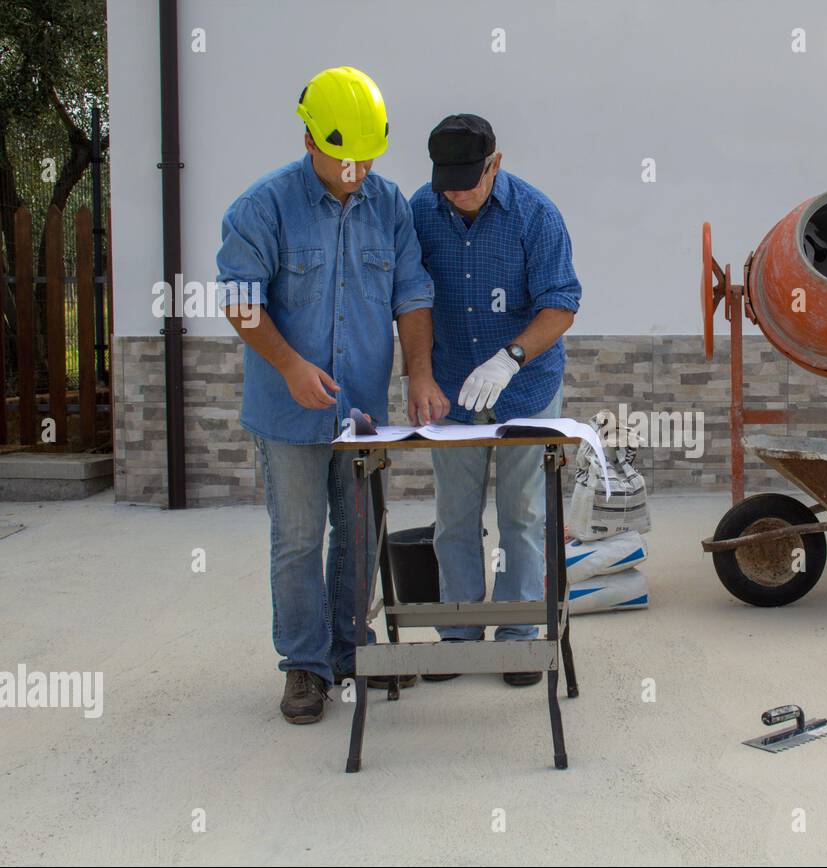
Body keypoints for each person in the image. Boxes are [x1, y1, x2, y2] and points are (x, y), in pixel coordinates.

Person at [216, 66, 446, 723]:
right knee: (296, 538)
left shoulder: (391, 205)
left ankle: (353, 651)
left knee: (358, 533)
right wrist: (289, 365)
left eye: (368, 156)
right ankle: (305, 668)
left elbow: (412, 294)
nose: (358, 169)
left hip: (362, 414)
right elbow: (239, 299)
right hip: (286, 414)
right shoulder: (262, 207)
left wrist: (420, 374)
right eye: (345, 156)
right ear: (310, 139)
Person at [409, 114, 581, 687]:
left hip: (526, 387)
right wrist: (420, 375)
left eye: (468, 180)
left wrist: (510, 356)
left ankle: (517, 634)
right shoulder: (419, 212)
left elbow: (560, 304)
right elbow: (412, 297)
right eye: (447, 182)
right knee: (454, 514)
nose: (456, 193)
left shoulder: (537, 215)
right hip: (451, 388)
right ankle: (458, 631)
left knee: (524, 515)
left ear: (496, 164)